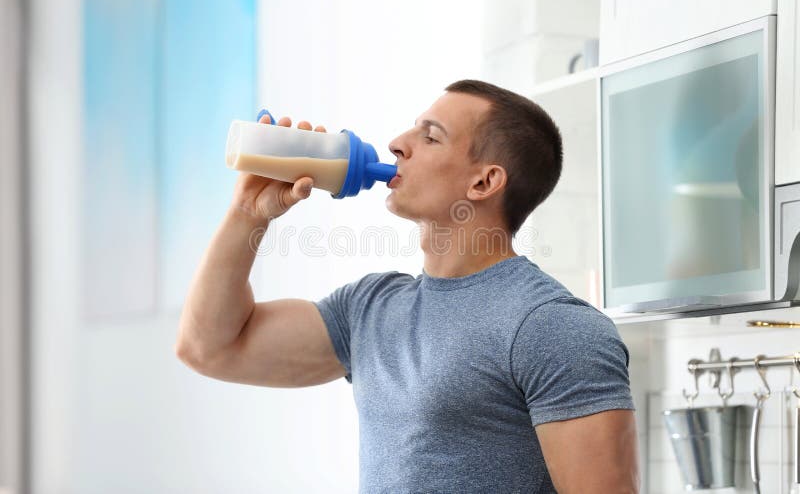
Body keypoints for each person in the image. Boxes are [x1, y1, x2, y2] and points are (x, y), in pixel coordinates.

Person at [175, 79, 640, 493]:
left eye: (430, 136)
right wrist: (247, 214)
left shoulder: (553, 327)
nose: (397, 144)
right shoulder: (372, 308)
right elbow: (209, 348)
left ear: (484, 181)